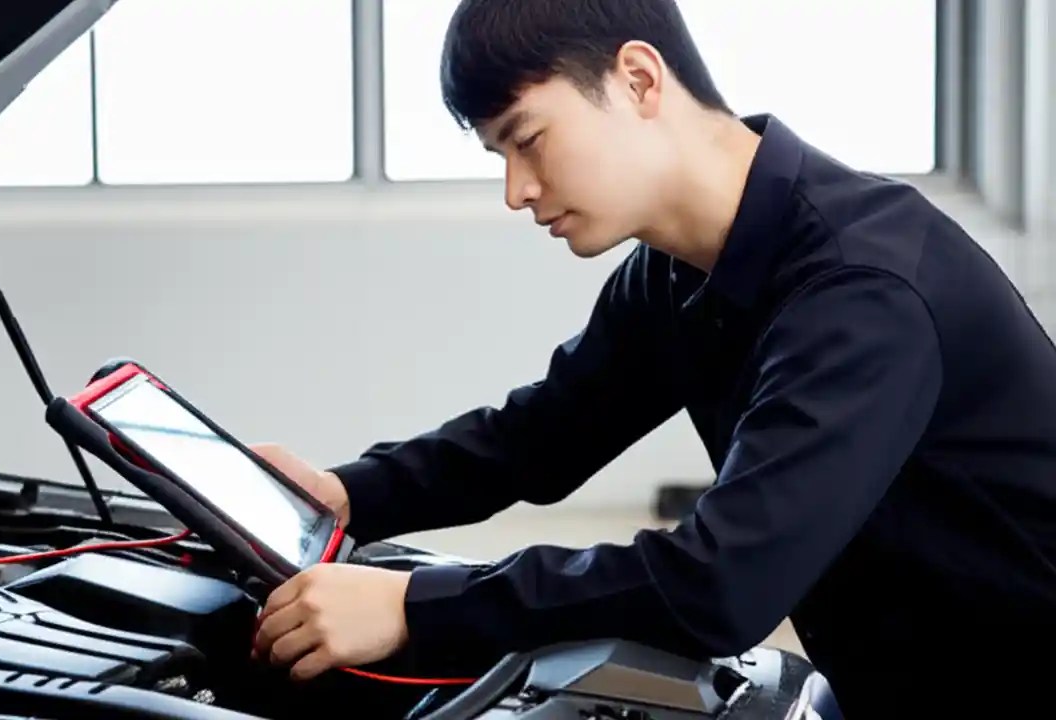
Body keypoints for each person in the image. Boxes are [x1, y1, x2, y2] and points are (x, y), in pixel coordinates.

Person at [250, 0, 1056, 715]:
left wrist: (415, 607)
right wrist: (345, 495)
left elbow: (722, 582)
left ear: (638, 79)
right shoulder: (674, 271)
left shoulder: (862, 288)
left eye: (527, 140)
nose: (515, 190)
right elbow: (539, 438)